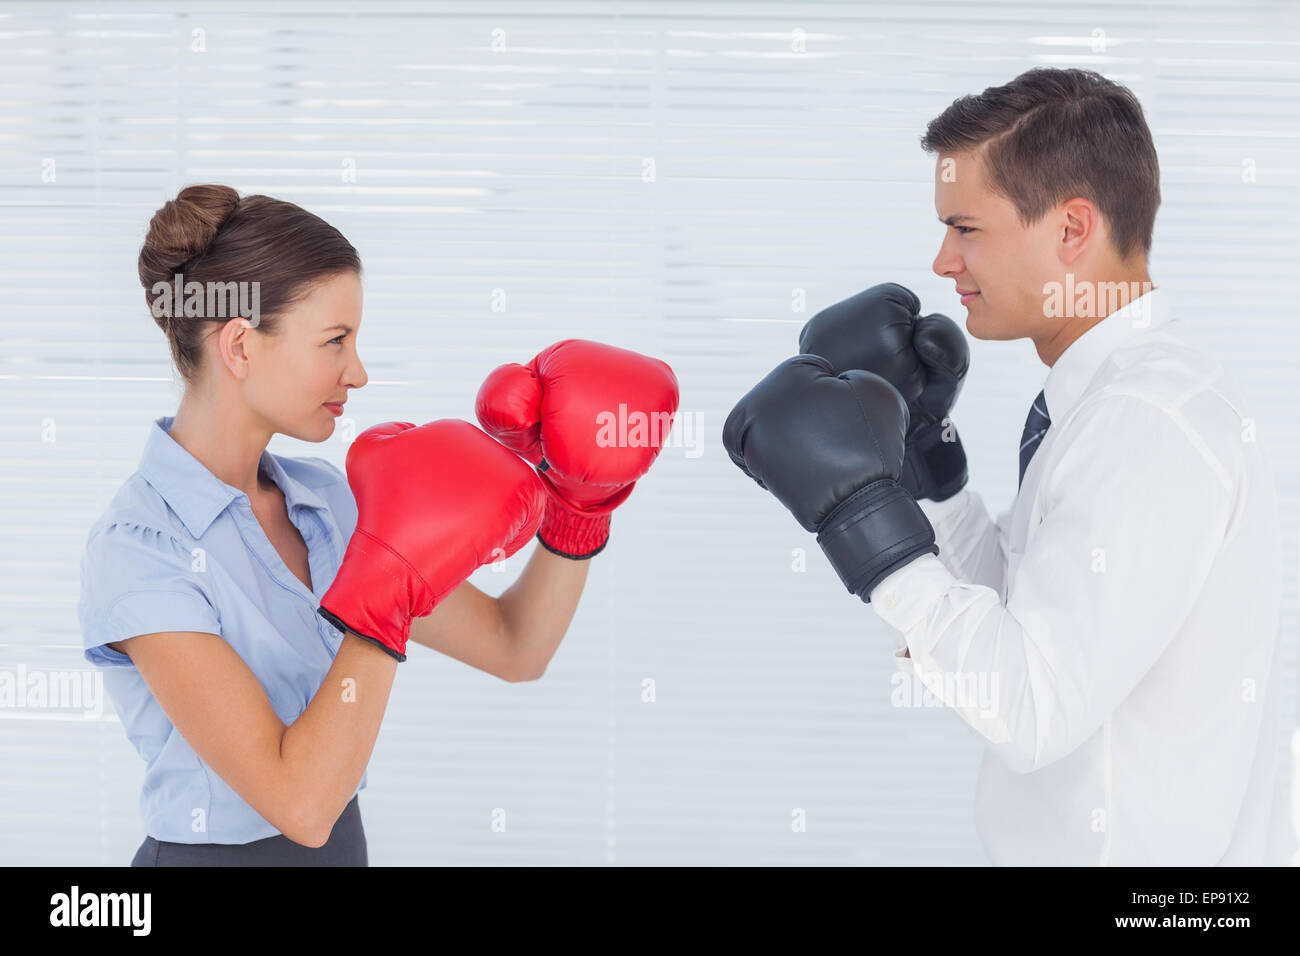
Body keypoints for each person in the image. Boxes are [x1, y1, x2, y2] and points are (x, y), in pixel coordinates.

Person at [724, 68, 1283, 865]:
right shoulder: (1114, 401)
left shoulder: (1143, 423)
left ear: (1071, 229)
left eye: (966, 228)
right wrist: (926, 468)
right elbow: (1025, 628)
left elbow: (1030, 708)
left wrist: (861, 522)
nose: (942, 261)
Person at [78, 184, 678, 865]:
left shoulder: (326, 503)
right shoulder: (140, 548)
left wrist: (576, 506)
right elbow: (300, 801)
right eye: (335, 341)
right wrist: (384, 598)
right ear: (241, 346)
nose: (356, 373)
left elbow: (517, 649)